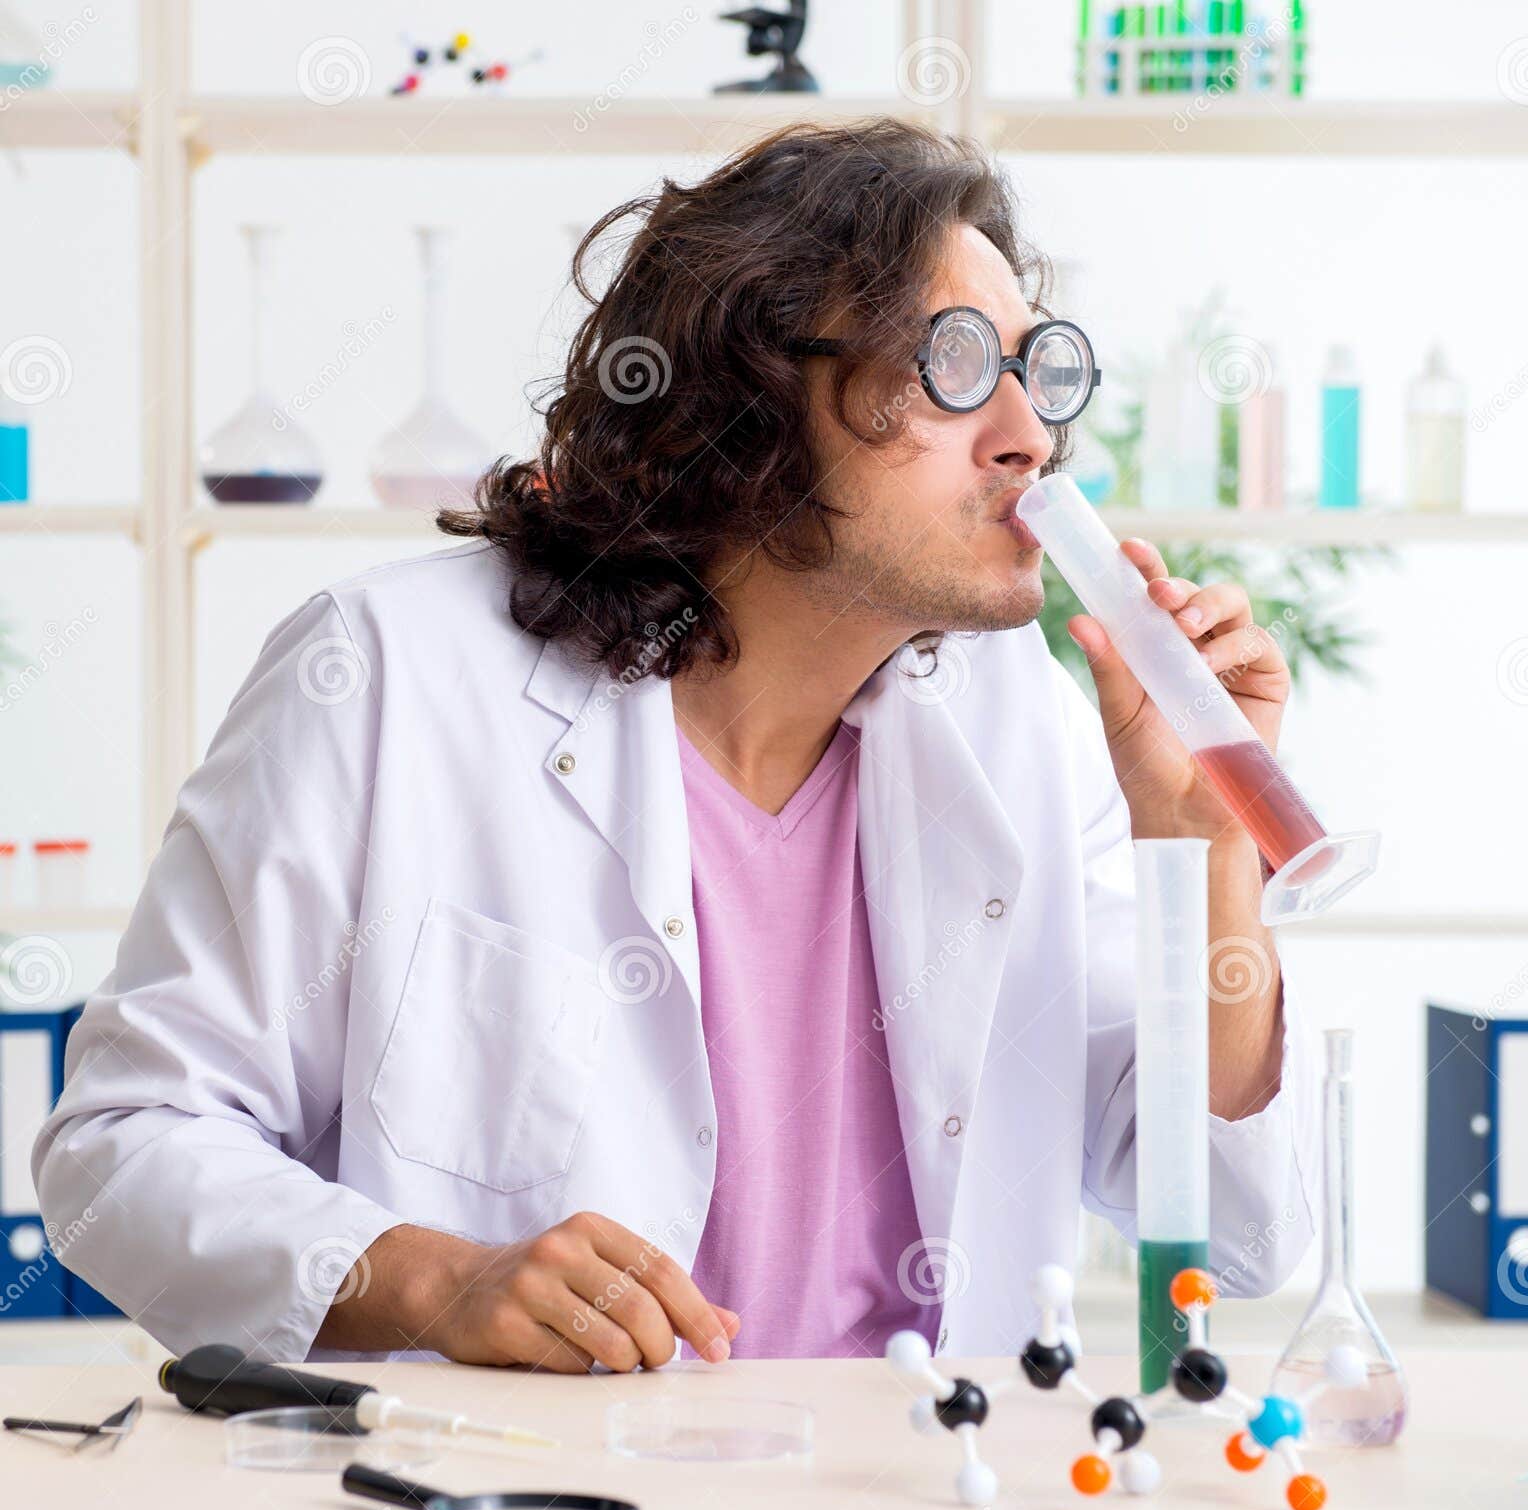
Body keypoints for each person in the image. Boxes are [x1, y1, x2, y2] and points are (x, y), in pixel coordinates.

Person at [36, 119, 1320, 1370]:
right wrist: (443, 1280)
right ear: (746, 398)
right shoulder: (385, 676)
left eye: (1038, 373)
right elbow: (120, 1153)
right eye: (955, 364)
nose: (1031, 436)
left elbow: (1229, 1225)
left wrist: (1206, 853)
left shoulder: (1022, 722)